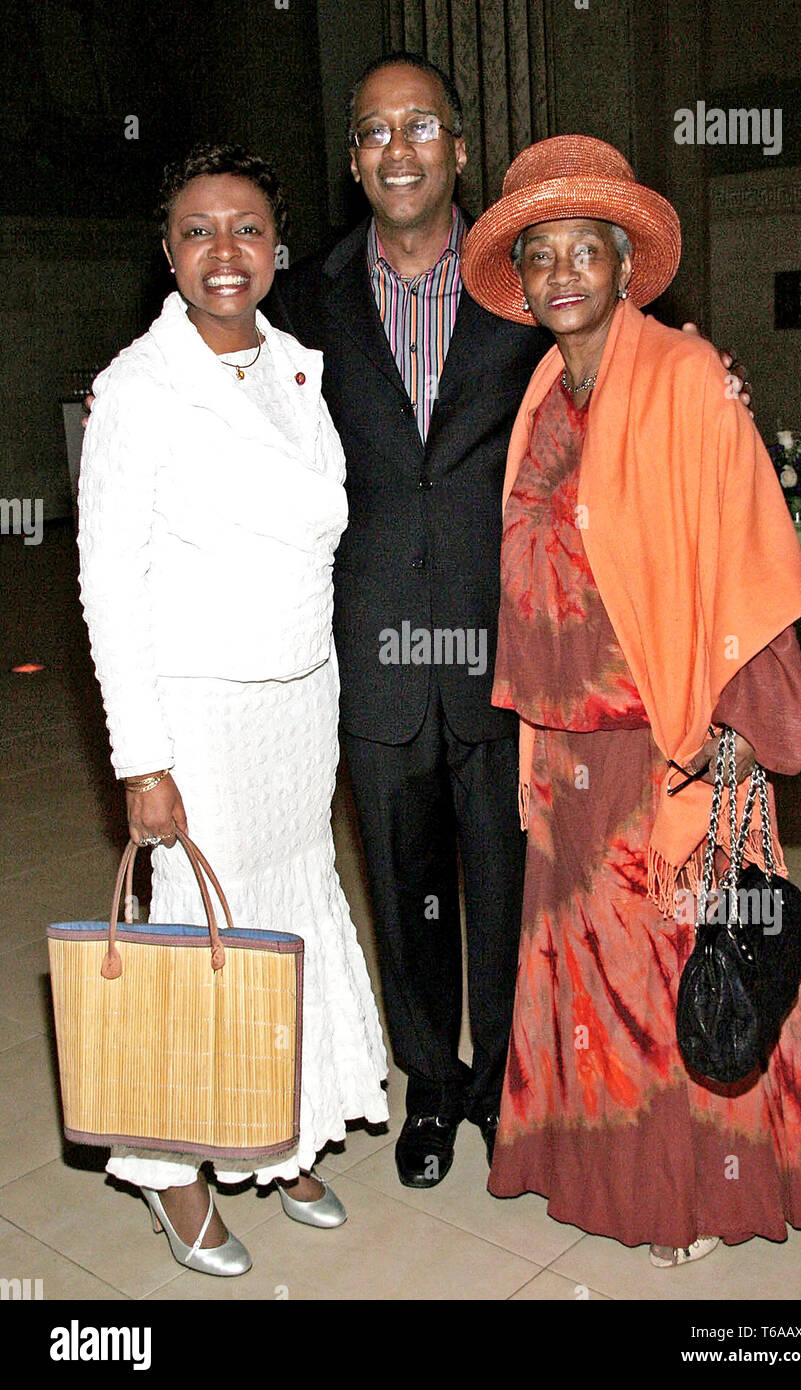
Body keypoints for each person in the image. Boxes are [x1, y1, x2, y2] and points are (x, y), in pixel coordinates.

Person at [266, 52, 752, 1189]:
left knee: (505, 886)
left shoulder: (521, 290)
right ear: (352, 160)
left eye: (420, 126)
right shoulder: (306, 300)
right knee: (404, 890)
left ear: (457, 148)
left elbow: (617, 366)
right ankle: (431, 1087)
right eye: (375, 130)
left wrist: (702, 380)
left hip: (511, 655)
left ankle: (501, 1086)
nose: (398, 148)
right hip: (374, 653)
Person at [460, 134, 801, 1263]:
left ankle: (690, 1192)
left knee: (673, 964)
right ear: (521, 280)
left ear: (624, 265)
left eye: (585, 249)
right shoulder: (537, 392)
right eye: (540, 254)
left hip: (659, 739)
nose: (561, 270)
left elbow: (743, 550)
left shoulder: (682, 376)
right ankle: (603, 1173)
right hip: (561, 746)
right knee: (589, 973)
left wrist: (731, 732)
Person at [78, 144, 387, 1275]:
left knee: (286, 919)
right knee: (197, 932)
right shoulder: (136, 388)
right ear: (166, 252)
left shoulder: (299, 368)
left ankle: (279, 1135)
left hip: (300, 700)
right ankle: (176, 1178)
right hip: (200, 711)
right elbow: (107, 584)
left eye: (247, 228)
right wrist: (140, 758)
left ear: (278, 248)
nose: (225, 251)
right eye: (199, 229)